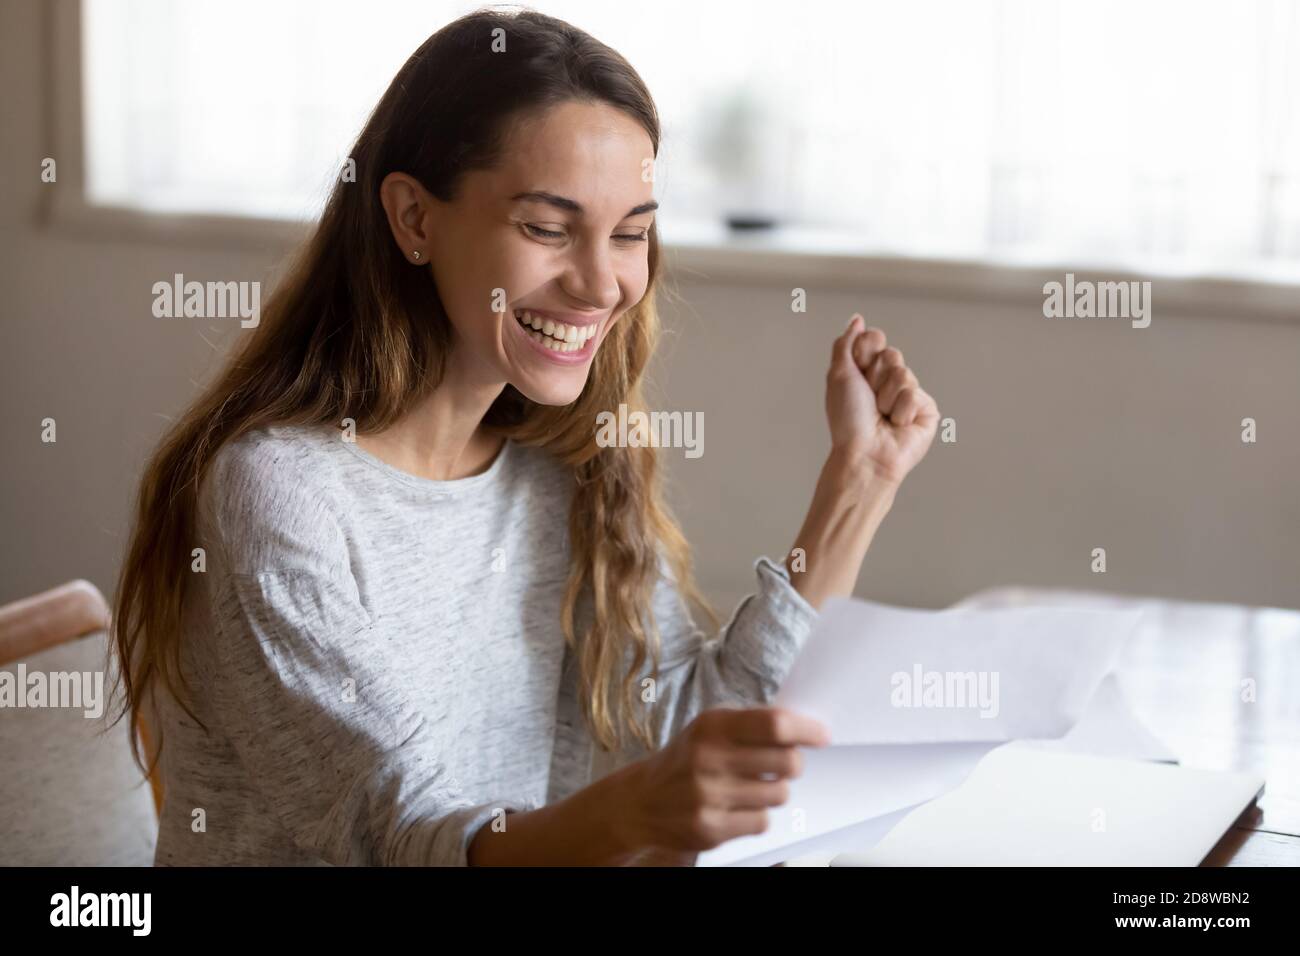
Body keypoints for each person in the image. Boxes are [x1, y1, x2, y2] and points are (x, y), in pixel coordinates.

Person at [110, 8, 939, 866]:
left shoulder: (558, 473)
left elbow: (701, 727)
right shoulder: (280, 491)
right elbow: (396, 831)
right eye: (547, 228)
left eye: (630, 234)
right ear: (414, 220)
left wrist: (861, 481)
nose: (601, 283)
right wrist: (629, 816)